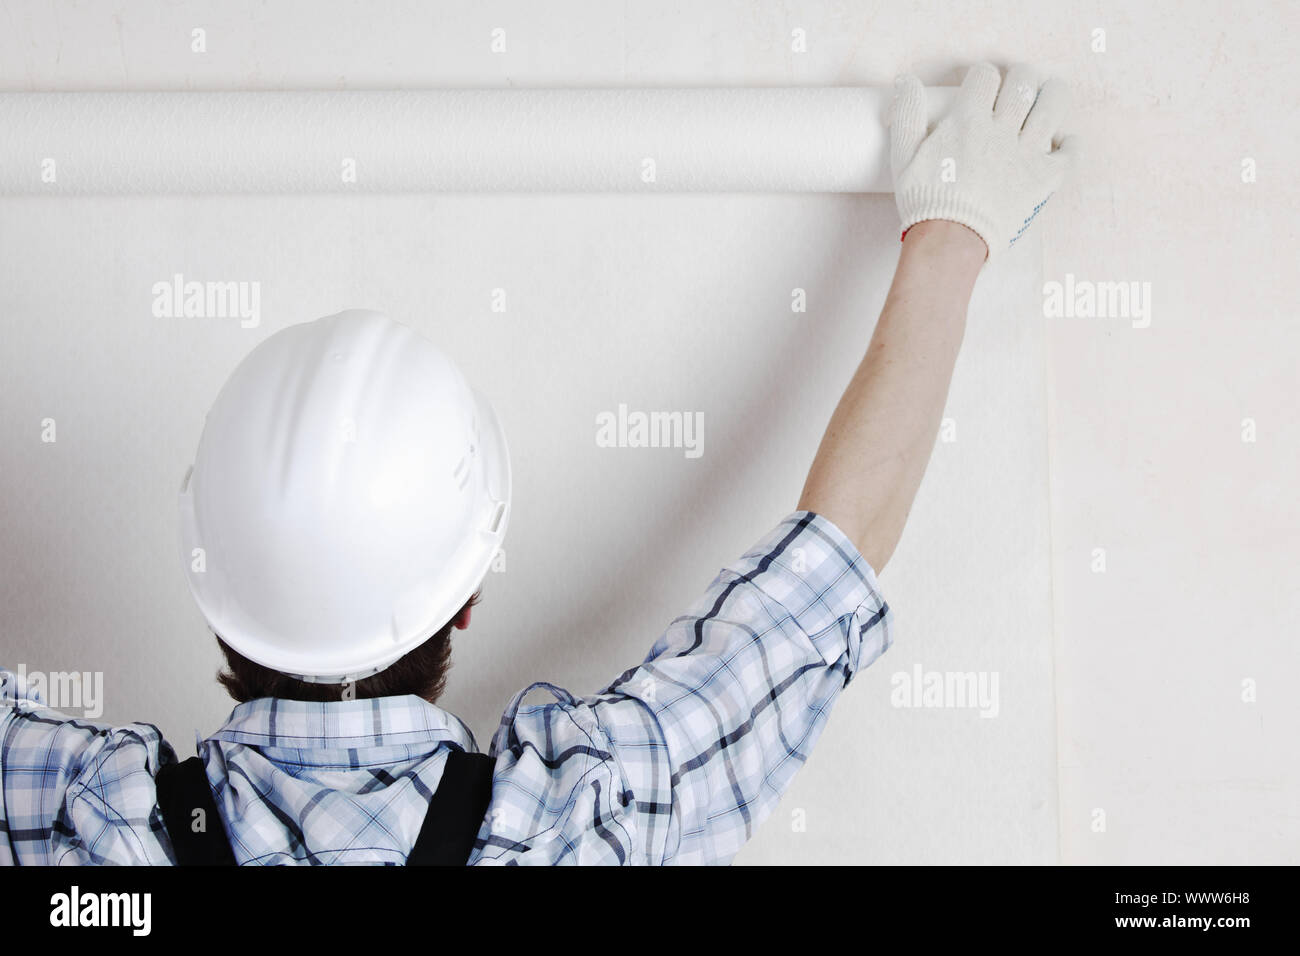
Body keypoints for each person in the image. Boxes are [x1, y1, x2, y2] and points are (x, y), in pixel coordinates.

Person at [0, 63, 1074, 865]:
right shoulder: (570, 824)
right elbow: (812, 587)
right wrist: (952, 228)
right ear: (464, 598)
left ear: (216, 595)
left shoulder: (84, 829)